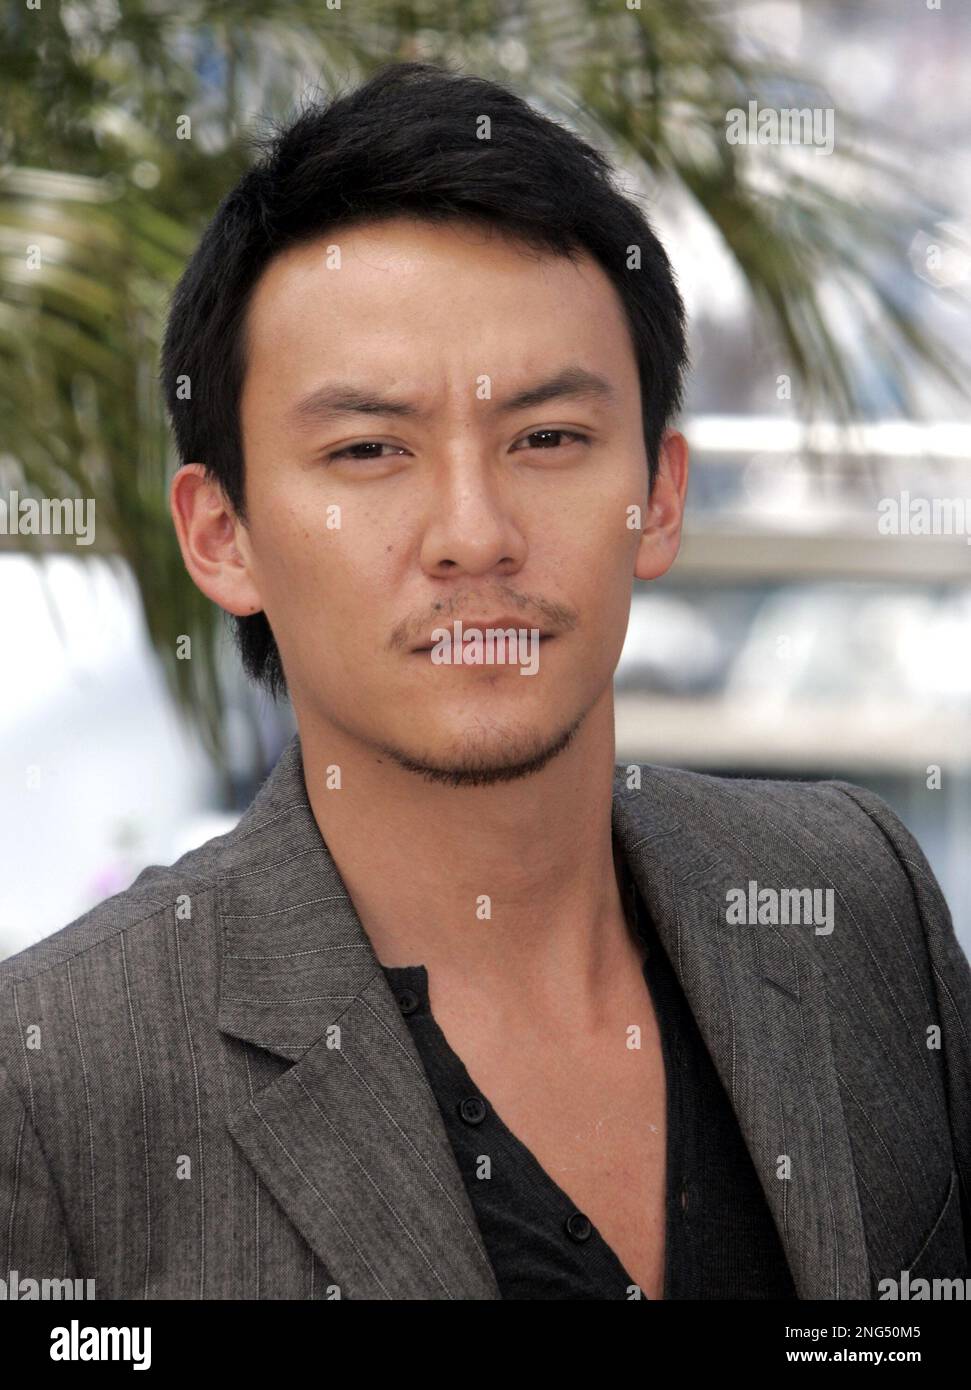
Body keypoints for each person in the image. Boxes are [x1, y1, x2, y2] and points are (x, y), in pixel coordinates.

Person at [1, 62, 968, 1302]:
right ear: (221, 534)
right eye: (367, 450)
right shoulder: (62, 1083)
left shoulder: (853, 897)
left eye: (548, 439)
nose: (472, 531)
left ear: (659, 494)